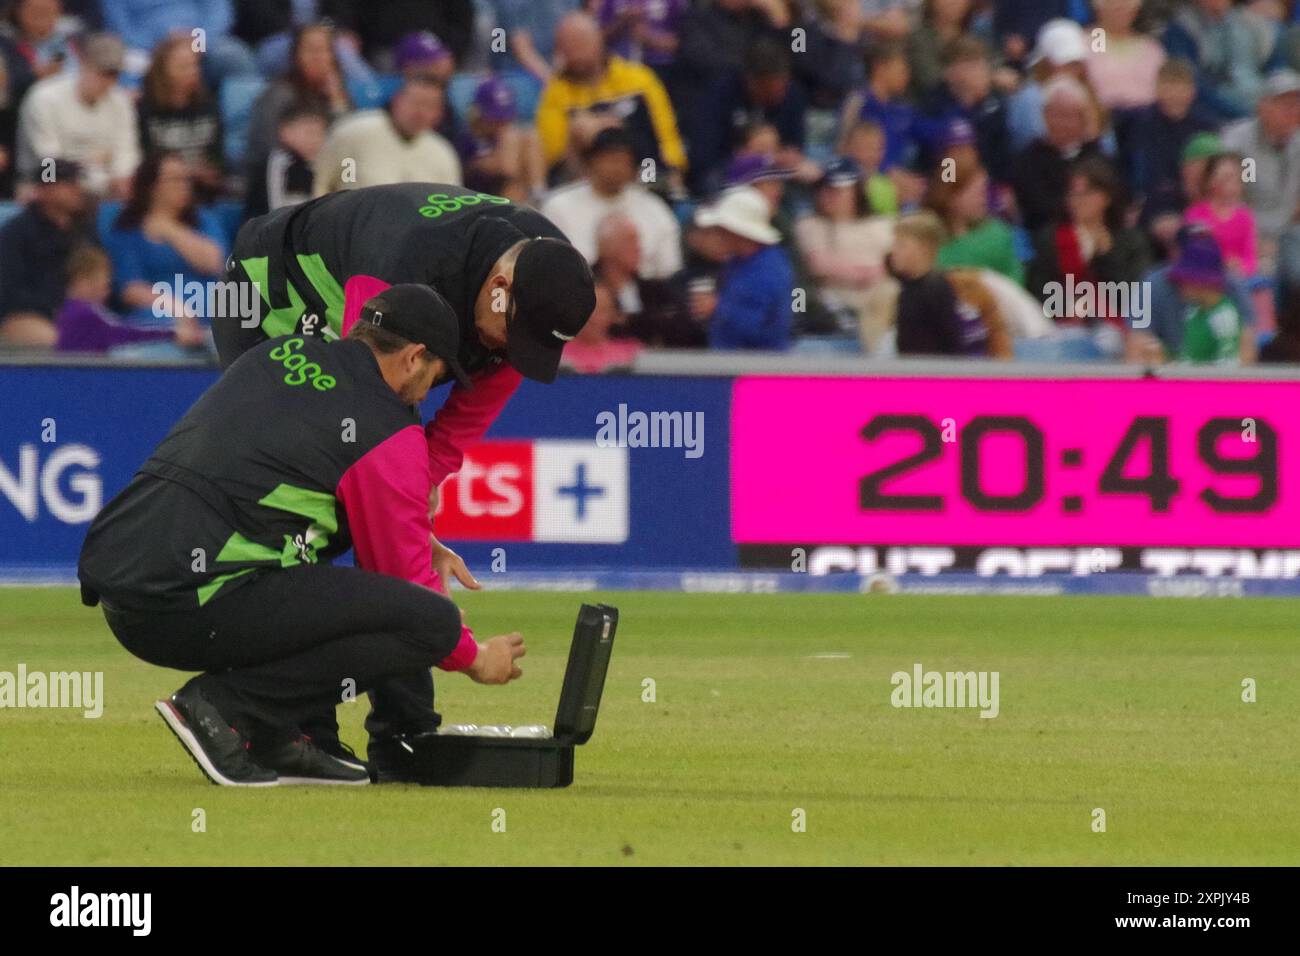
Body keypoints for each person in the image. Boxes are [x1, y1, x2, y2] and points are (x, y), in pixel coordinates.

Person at [214, 182, 594, 777]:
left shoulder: (547, 276)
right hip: (270, 294)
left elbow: (456, 426)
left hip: (383, 306)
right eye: (511, 336)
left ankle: (402, 734)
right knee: (301, 512)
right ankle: (293, 729)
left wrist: (415, 512)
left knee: (382, 519)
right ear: (497, 291)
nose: (509, 355)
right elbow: (364, 419)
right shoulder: (400, 265)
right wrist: (404, 533)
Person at [78, 284, 527, 786]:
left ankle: (271, 734)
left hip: (124, 584)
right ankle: (223, 708)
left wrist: (422, 542)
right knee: (431, 623)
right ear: (414, 357)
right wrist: (475, 658)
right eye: (434, 377)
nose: (425, 396)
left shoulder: (277, 353)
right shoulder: (385, 428)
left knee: (316, 573)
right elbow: (402, 580)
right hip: (187, 600)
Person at [535, 11, 687, 186]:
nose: (575, 53)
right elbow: (553, 153)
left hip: (645, 175)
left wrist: (675, 169)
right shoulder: (556, 93)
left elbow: (665, 131)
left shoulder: (639, 79)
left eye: (581, 43)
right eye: (567, 47)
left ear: (598, 39)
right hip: (585, 184)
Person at [102, 151, 228, 329]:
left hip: (209, 305)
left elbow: (213, 263)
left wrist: (170, 230)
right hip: (157, 311)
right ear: (151, 186)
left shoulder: (204, 220)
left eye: (186, 179)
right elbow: (130, 289)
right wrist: (175, 308)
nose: (184, 186)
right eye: (175, 179)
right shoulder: (127, 228)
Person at [539, 126, 682, 278]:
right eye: (610, 160)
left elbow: (670, 269)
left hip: (647, 294)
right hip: (579, 293)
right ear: (592, 162)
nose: (616, 168)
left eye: (623, 162)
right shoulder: (558, 206)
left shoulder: (653, 207)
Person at [15, 31, 140, 199]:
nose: (108, 81)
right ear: (84, 64)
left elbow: (126, 150)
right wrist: (88, 167)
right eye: (102, 73)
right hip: (43, 184)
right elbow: (47, 161)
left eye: (114, 74)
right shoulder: (44, 98)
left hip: (105, 186)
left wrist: (122, 176)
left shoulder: (120, 101)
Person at [794, 157, 894, 342]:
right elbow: (819, 266)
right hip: (834, 306)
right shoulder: (810, 224)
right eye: (826, 188)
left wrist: (877, 272)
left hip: (878, 302)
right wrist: (863, 273)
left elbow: (892, 264)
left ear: (856, 192)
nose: (829, 195)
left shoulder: (881, 225)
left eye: (838, 190)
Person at [313, 76, 462, 195]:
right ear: (397, 100)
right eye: (415, 102)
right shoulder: (355, 131)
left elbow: (450, 209)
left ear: (439, 114)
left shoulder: (443, 153)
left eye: (429, 106)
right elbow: (320, 180)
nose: (420, 112)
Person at [690, 185, 795, 351]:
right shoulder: (738, 262)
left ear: (738, 232)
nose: (718, 234)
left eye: (723, 229)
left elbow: (758, 329)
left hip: (757, 369)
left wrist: (717, 308)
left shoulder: (769, 271)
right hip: (730, 363)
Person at [244, 23, 352, 183]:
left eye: (324, 50)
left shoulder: (338, 97)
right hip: (283, 181)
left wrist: (338, 103)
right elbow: (263, 149)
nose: (318, 57)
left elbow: (349, 146)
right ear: (296, 56)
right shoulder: (277, 95)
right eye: (310, 50)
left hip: (327, 180)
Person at [0, 157, 89, 345]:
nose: (76, 188)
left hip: (83, 311)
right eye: (67, 183)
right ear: (43, 190)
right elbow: (8, 291)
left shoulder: (84, 231)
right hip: (27, 316)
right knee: (57, 339)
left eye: (76, 182)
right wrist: (58, 303)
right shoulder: (17, 233)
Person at [56, 245, 205, 353]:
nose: (106, 293)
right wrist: (173, 334)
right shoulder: (85, 314)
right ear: (83, 282)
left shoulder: (68, 313)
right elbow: (125, 332)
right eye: (103, 286)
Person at [1010, 76, 1109, 232]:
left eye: (1069, 116)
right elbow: (1037, 206)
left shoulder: (1097, 154)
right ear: (1044, 116)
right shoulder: (1029, 158)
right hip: (1049, 236)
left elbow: (1113, 197)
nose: (1061, 123)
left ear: (1082, 119)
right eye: (1055, 114)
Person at [136, 34, 224, 201]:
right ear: (163, 70)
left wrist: (212, 172)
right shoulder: (145, 109)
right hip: (159, 194)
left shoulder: (209, 106)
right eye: (183, 66)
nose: (192, 72)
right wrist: (187, 172)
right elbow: (146, 161)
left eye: (194, 65)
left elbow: (217, 159)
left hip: (204, 193)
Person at [927, 153, 1024, 284]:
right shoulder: (926, 238)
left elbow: (1014, 285)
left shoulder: (997, 235)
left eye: (984, 192)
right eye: (978, 193)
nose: (983, 199)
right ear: (952, 195)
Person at [887, 209, 966, 355]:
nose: (893, 251)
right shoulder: (906, 288)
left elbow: (953, 342)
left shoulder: (936, 289)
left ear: (923, 249)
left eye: (901, 245)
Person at [455, 76, 545, 202]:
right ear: (478, 112)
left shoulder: (508, 134)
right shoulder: (468, 137)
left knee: (531, 136)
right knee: (512, 139)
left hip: (514, 191)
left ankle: (539, 195)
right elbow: (505, 168)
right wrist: (507, 145)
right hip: (480, 197)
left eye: (504, 118)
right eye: (496, 118)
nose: (501, 123)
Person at [1184, 152, 1258, 279]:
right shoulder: (1196, 214)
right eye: (1225, 177)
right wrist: (1222, 263)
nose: (1231, 183)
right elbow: (1195, 252)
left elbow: (1250, 257)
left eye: (1235, 177)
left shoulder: (1245, 216)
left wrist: (1242, 268)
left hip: (1239, 279)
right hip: (1206, 277)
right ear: (1210, 181)